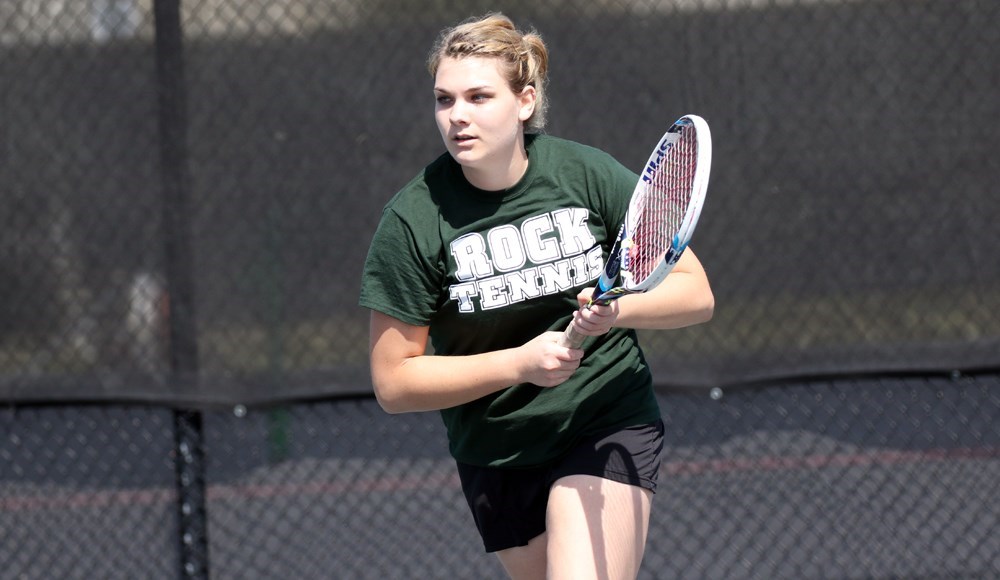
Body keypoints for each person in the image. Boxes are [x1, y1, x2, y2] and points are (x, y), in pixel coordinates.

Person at [359, 13, 714, 580]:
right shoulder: (413, 221)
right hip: (496, 453)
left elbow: (696, 293)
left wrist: (616, 311)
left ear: (524, 101)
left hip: (604, 418)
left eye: (479, 96)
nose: (458, 116)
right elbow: (394, 382)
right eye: (444, 100)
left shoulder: (586, 175)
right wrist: (520, 363)